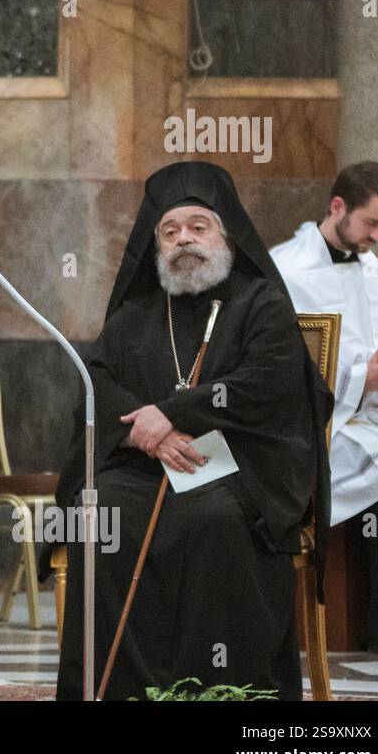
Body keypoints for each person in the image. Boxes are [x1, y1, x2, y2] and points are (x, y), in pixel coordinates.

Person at [53, 161, 330, 701]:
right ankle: (120, 692)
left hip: (241, 466)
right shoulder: (136, 312)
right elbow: (98, 381)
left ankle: (222, 692)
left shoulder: (261, 302)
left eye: (199, 227)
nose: (185, 240)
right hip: (146, 464)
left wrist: (177, 414)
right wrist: (145, 432)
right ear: (155, 244)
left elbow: (270, 382)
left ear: (225, 234)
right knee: (101, 510)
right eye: (170, 230)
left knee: (213, 522)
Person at [271, 161, 378, 653]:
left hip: (372, 414)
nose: (377, 236)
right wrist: (361, 379)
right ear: (338, 207)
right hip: (317, 427)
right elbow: (276, 368)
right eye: (371, 223)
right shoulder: (285, 271)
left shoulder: (375, 274)